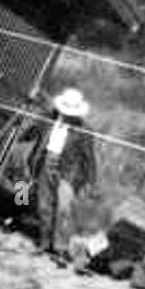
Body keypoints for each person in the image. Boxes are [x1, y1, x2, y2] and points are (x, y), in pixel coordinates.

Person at [35, 88, 97, 265]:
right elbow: (39, 114)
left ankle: (60, 249)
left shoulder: (85, 131)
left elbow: (89, 158)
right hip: (47, 162)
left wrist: (90, 182)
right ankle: (44, 243)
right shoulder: (50, 119)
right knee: (44, 205)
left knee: (64, 210)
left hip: (69, 172)